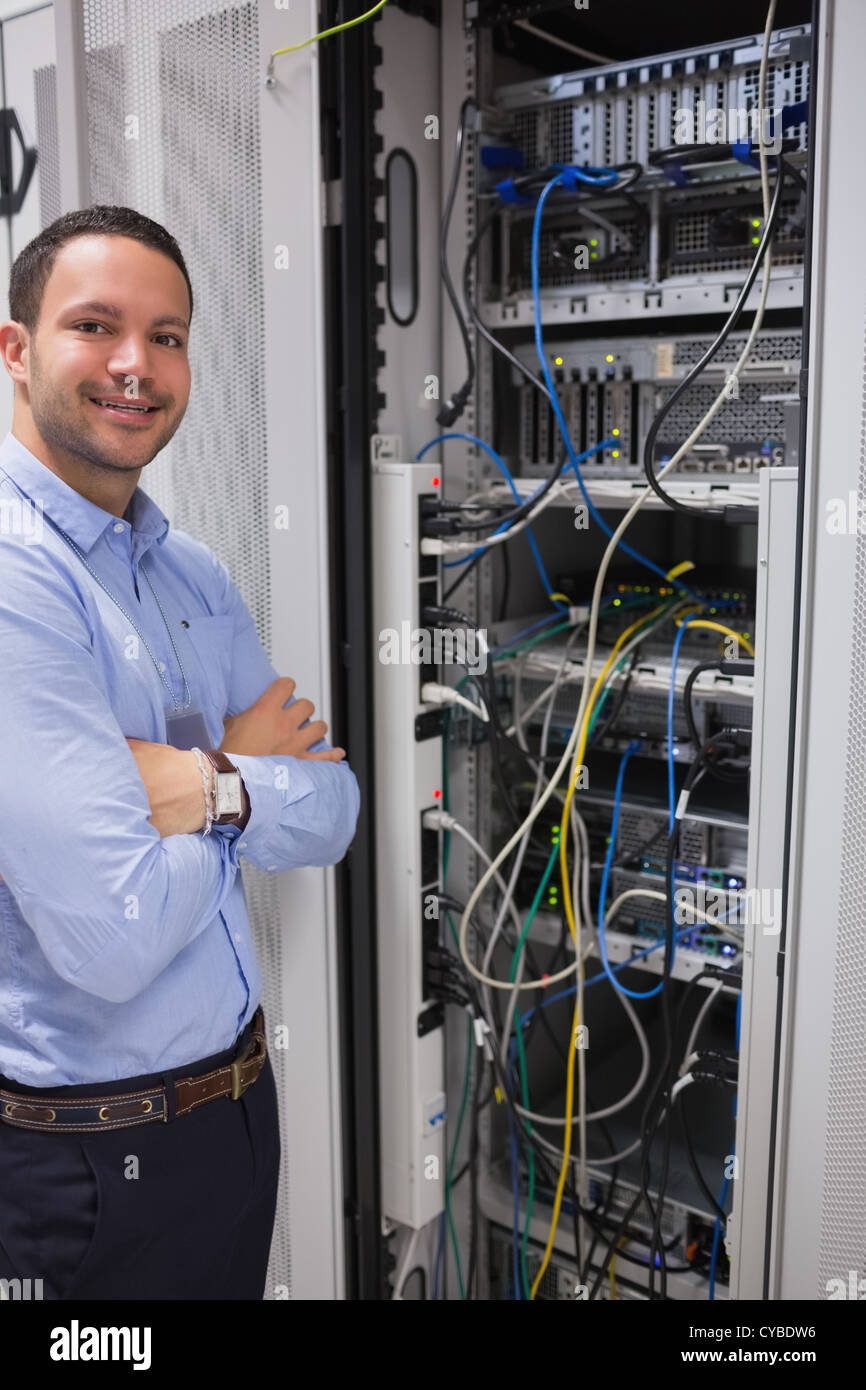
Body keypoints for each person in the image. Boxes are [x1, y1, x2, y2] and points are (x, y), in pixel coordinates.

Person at [0, 204, 360, 1300]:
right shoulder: (17, 582)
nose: (135, 365)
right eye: (94, 326)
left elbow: (334, 810)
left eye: (167, 336)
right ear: (15, 350)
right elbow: (111, 939)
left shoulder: (188, 568)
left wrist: (199, 788)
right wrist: (242, 783)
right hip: (89, 1168)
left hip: (235, 1115)